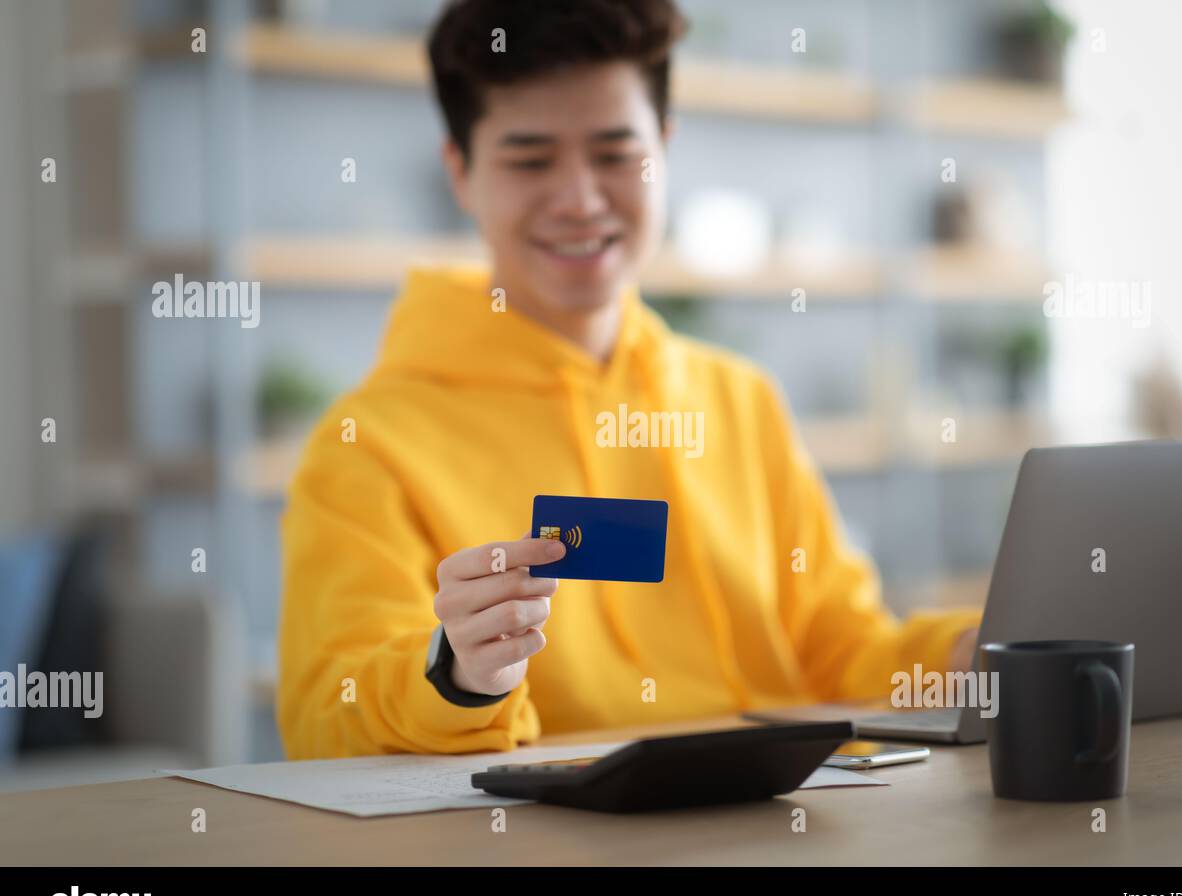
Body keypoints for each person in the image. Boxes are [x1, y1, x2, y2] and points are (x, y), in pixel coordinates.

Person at [277, 0, 981, 758]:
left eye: (615, 155)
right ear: (461, 173)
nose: (580, 199)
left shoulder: (740, 402)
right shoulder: (366, 445)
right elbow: (326, 717)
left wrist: (974, 657)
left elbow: (840, 653)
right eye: (530, 159)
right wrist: (454, 677)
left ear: (665, 150)